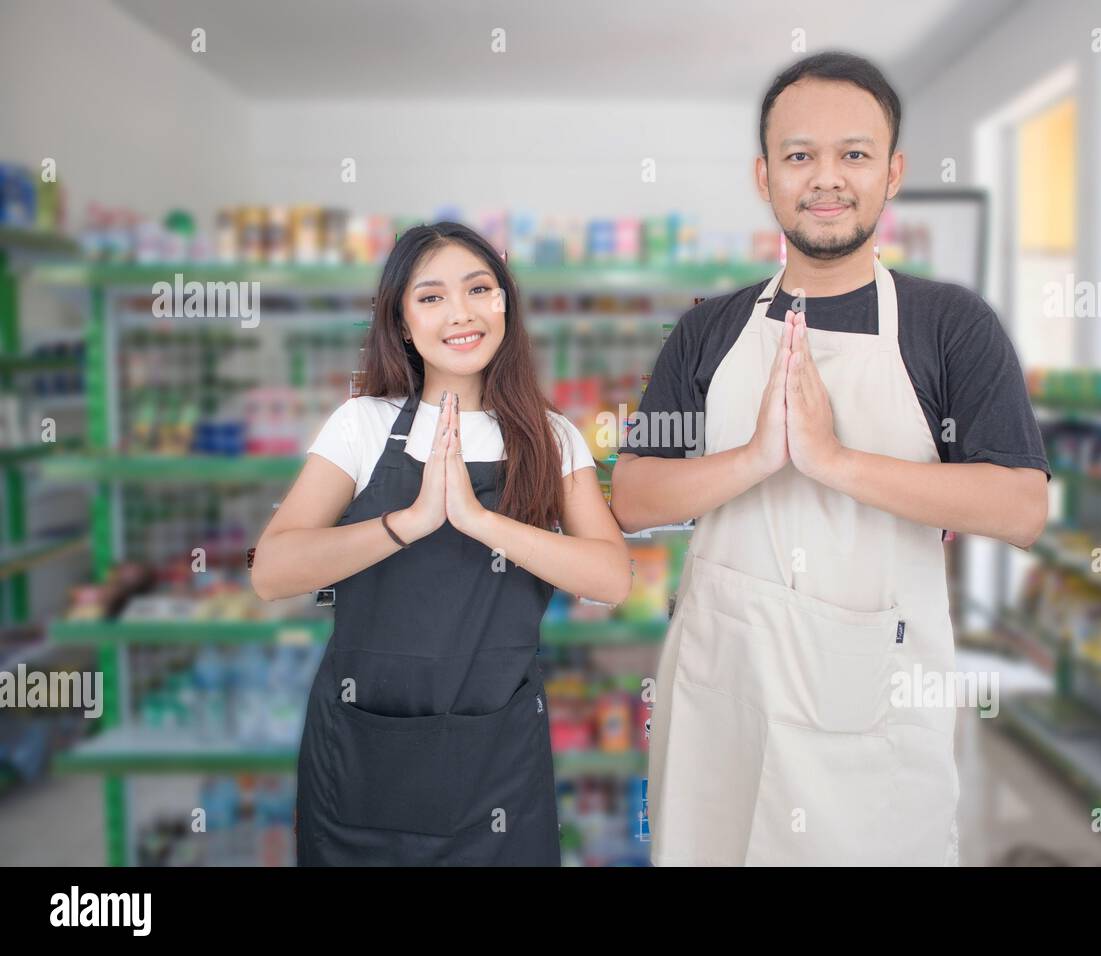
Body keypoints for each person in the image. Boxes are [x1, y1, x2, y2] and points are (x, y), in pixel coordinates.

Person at [612, 52, 1051, 866]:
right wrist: (755, 456)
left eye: (853, 154)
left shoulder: (948, 325)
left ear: (893, 171)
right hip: (724, 687)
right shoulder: (709, 330)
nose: (827, 179)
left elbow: (1020, 507)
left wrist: (835, 460)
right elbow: (634, 496)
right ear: (765, 174)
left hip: (871, 704)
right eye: (799, 155)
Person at [252, 222, 632, 865]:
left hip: (498, 760)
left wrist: (482, 522)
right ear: (402, 322)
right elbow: (272, 571)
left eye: (480, 288)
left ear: (505, 303)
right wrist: (412, 521)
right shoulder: (362, 425)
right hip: (364, 755)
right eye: (430, 297)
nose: (461, 313)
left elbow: (611, 577)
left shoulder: (552, 437)